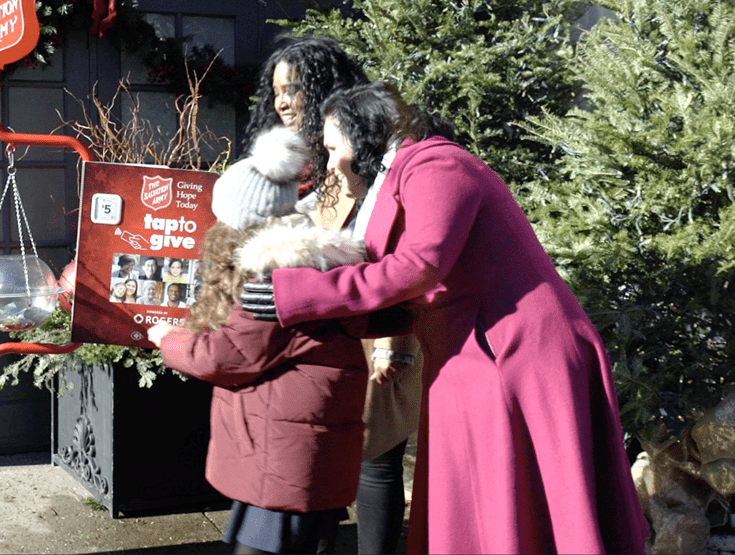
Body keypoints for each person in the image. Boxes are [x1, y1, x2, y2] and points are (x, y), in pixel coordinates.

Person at [242, 82, 648, 554]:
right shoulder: (408, 173)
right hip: (474, 356)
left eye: (335, 148)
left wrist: (304, 294)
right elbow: (409, 294)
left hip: (512, 356)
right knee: (482, 507)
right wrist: (318, 311)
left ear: (366, 135)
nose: (332, 163)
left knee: (506, 506)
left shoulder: (438, 165)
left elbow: (418, 266)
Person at [148, 127, 393, 554]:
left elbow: (225, 356)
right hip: (296, 443)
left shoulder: (270, 274)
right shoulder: (310, 261)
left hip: (282, 452)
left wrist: (167, 339)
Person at [247, 34, 419, 554]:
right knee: (322, 454)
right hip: (317, 323)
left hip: (377, 324)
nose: (282, 101)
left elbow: (402, 253)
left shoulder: (363, 151)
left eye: (294, 88)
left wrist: (397, 342)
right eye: (276, 90)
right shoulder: (285, 158)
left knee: (375, 456)